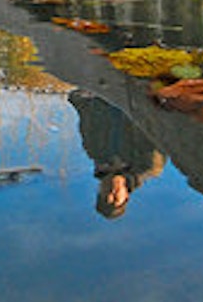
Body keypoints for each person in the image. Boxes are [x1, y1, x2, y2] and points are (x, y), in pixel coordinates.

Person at [69, 89, 165, 219]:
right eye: (115, 198)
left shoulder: (94, 151)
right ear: (126, 196)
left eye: (105, 197)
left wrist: (78, 97)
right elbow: (160, 124)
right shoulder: (149, 165)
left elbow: (84, 112)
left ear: (99, 191)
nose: (111, 192)